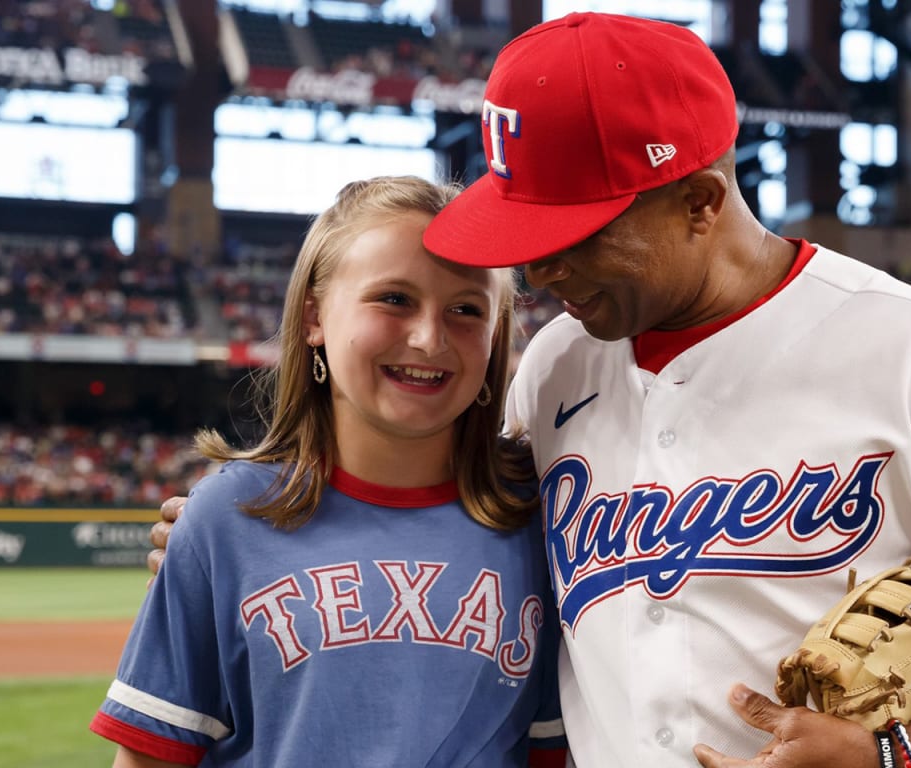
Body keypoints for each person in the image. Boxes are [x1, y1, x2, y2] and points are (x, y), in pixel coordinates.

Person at [154, 14, 911, 768]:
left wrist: (903, 755)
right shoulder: (554, 370)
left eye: (575, 233)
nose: (542, 268)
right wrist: (251, 527)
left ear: (699, 202)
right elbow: (446, 512)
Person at [95, 176, 566, 767]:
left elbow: (550, 754)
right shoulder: (225, 516)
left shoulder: (540, 523)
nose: (428, 337)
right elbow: (151, 758)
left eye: (467, 309)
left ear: (496, 336)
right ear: (314, 317)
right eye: (394, 299)